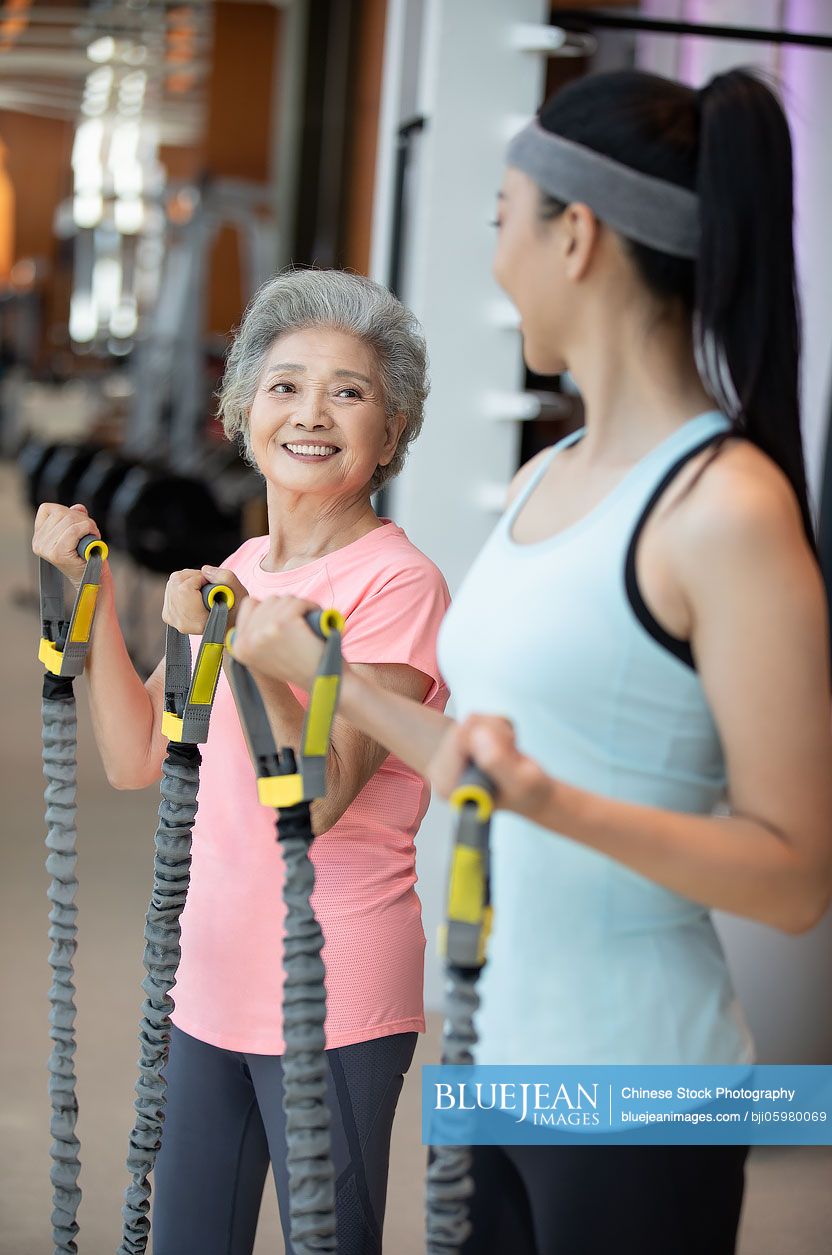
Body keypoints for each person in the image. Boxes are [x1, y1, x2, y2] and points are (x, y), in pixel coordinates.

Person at [226, 70, 832, 1255]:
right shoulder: (539, 483)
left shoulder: (727, 508)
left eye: (503, 214)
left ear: (576, 236)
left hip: (639, 1079)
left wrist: (552, 802)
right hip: (486, 1045)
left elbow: (797, 876)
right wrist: (323, 672)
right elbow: (483, 760)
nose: (493, 255)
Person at [31, 269, 450, 1255]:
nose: (312, 412)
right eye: (285, 385)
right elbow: (140, 756)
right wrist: (88, 599)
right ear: (240, 413)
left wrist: (260, 654)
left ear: (390, 434)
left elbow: (315, 797)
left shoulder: (397, 584)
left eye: (349, 392)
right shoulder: (237, 571)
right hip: (208, 967)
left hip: (332, 982)